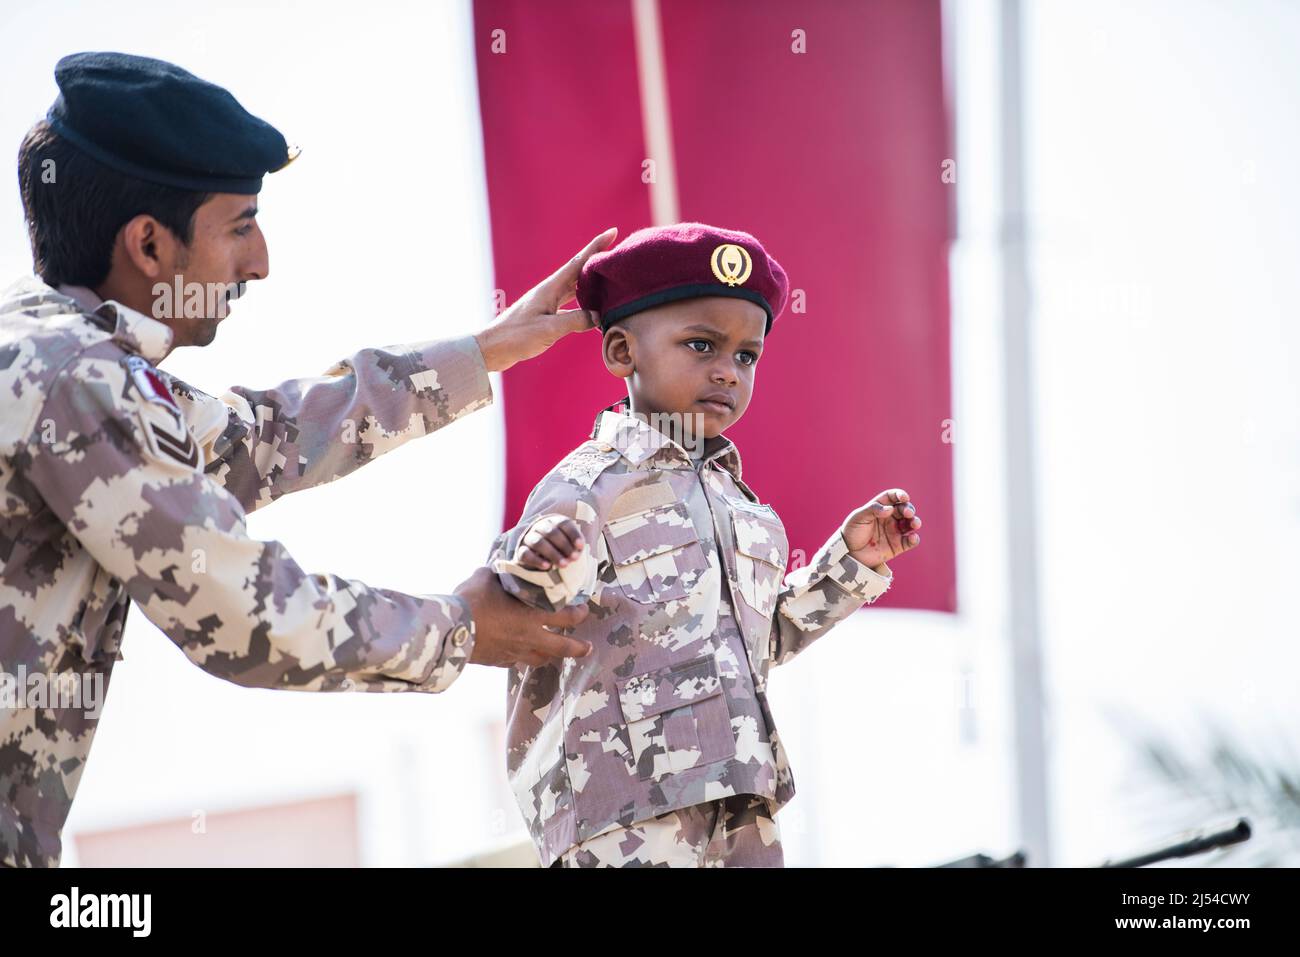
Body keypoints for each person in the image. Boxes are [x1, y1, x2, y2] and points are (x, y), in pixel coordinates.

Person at [0, 51, 609, 868]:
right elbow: (250, 615)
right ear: (149, 243)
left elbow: (261, 438)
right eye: (241, 226)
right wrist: (464, 627)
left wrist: (484, 351)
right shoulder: (81, 379)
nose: (261, 262)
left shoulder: (50, 357)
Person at [488, 222, 924, 867]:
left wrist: (850, 566)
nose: (727, 372)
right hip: (622, 809)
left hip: (742, 792)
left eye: (746, 357)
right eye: (702, 345)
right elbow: (519, 597)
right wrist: (539, 563)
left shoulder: (741, 507)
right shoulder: (589, 484)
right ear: (620, 352)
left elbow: (759, 644)